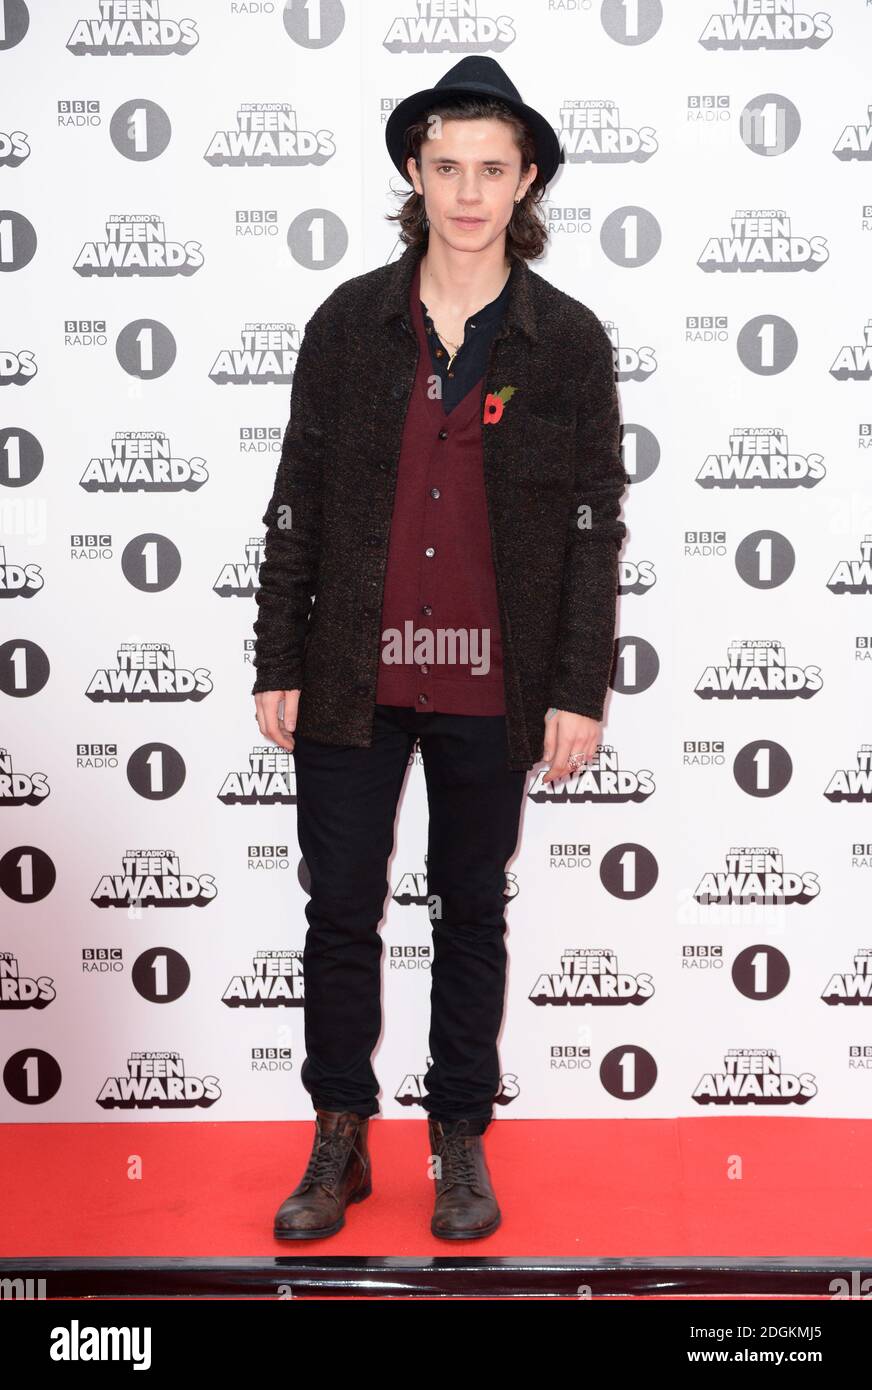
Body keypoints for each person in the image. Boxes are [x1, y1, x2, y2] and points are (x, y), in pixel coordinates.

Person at [251, 56, 628, 1241]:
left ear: (526, 185)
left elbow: (591, 527)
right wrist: (278, 655)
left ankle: (457, 1138)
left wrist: (573, 685)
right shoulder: (349, 322)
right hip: (351, 677)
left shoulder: (562, 339)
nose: (469, 190)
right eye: (447, 165)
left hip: (491, 678)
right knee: (338, 911)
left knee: (471, 909)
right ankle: (338, 1140)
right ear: (415, 174)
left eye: (493, 169)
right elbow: (296, 495)